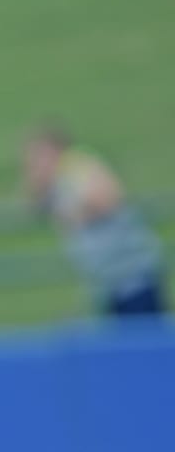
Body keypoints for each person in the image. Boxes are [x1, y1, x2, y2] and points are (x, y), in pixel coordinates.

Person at [22, 125, 166, 318]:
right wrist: (38, 182)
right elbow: (35, 207)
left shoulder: (77, 166)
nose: (34, 165)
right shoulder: (57, 181)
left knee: (145, 336)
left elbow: (109, 198)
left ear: (54, 151)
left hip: (130, 273)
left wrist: (76, 212)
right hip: (107, 280)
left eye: (37, 157)